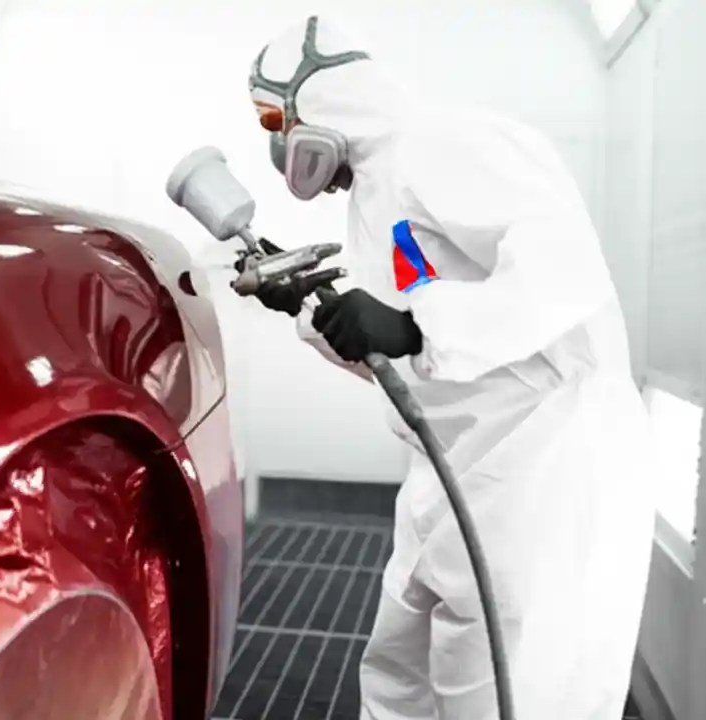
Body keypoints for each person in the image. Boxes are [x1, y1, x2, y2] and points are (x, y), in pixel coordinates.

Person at [240, 15, 659, 720]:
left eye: (278, 121)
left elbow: (563, 274)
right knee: (402, 675)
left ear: (326, 103)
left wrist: (412, 326)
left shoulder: (445, 143)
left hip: (540, 466)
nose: (281, 147)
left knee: (502, 691)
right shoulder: (375, 195)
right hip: (452, 466)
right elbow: (410, 361)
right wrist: (312, 312)